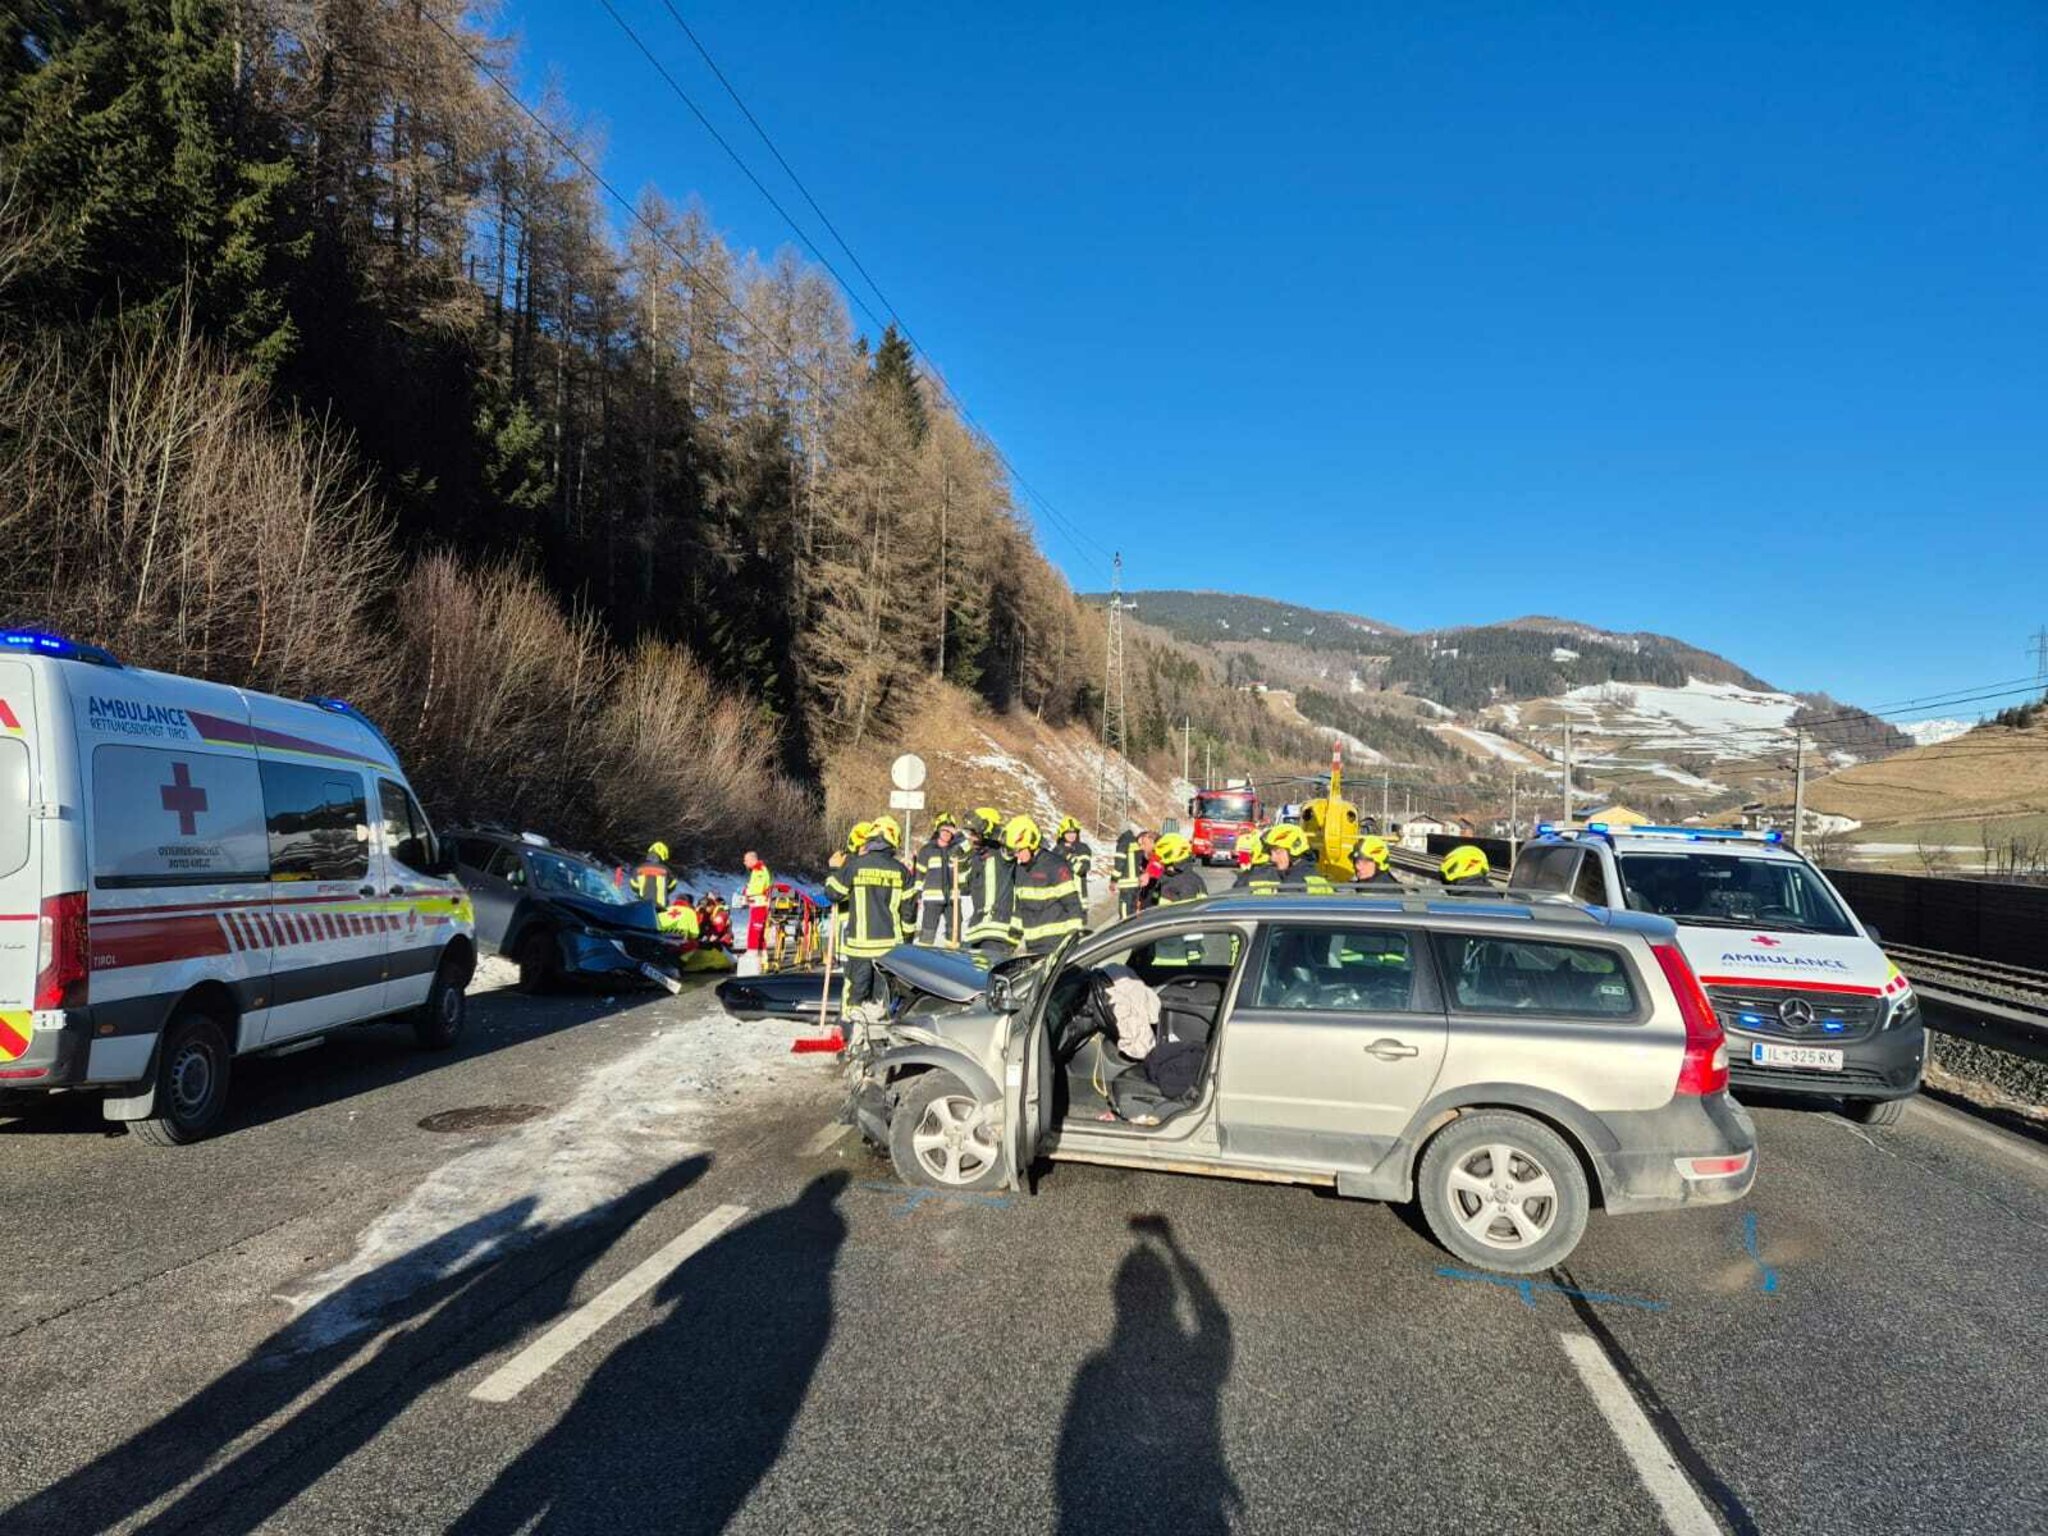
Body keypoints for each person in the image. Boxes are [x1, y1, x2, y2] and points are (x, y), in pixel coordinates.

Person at [824, 816, 921, 1025]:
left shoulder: (855, 866)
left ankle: (851, 1037)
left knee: (854, 998)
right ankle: (878, 1041)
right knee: (882, 999)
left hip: (859, 946)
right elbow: (909, 913)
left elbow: (833, 893)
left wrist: (834, 869)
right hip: (889, 949)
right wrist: (907, 942)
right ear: (893, 840)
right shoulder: (901, 871)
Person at [1012, 816, 1086, 951]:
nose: (1018, 856)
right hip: (1033, 947)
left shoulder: (1054, 865)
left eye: (1020, 850)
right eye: (1015, 851)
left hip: (1058, 945)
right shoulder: (1020, 869)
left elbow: (1072, 904)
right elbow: (1020, 908)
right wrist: (1012, 939)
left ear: (1032, 843)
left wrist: (1073, 939)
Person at [963, 809, 1018, 962]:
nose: (971, 838)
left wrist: (991, 829)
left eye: (975, 833)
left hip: (997, 930)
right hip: (977, 928)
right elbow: (963, 886)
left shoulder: (1001, 853)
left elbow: (1013, 843)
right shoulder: (976, 857)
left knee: (989, 977)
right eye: (970, 834)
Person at [914, 814, 961, 945]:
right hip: (932, 899)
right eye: (944, 830)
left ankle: (951, 958)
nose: (947, 833)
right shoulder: (927, 850)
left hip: (952, 899)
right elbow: (919, 875)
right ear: (938, 830)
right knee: (928, 934)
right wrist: (917, 896)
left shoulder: (956, 851)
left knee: (954, 934)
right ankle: (924, 960)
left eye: (950, 831)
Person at [1246, 824, 1331, 895]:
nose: (1273, 858)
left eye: (1278, 852)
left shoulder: (1293, 885)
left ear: (1294, 851)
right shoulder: (1318, 877)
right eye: (1271, 853)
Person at [738, 850, 773, 975]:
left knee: (755, 929)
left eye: (746, 860)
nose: (744, 862)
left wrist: (746, 892)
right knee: (759, 931)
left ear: (753, 860)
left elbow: (757, 888)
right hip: (757, 904)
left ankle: (752, 951)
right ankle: (762, 957)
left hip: (760, 904)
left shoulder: (759, 870)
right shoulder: (757, 870)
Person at [1113, 826, 1156, 919]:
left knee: (1125, 912)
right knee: (1133, 911)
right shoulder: (1136, 844)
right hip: (1137, 884)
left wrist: (1113, 879)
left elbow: (1119, 863)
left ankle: (1125, 928)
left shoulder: (1123, 843)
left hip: (1126, 884)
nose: (1142, 846)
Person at [1057, 816, 1094, 903]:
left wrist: (1068, 857)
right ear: (1062, 833)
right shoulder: (1057, 850)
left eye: (1074, 832)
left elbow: (1083, 869)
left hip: (1078, 899)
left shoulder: (1083, 848)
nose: (1072, 835)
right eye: (1068, 833)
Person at [631, 840, 675, 908]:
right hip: (660, 908)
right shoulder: (666, 870)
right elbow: (672, 885)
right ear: (662, 855)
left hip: (643, 906)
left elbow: (634, 886)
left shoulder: (639, 869)